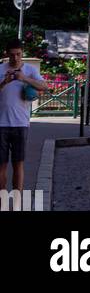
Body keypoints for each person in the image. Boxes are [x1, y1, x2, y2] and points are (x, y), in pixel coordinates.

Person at [0, 39, 48, 194]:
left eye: (18, 54)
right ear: (6, 54)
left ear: (22, 53)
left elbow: (44, 87)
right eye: (12, 55)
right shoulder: (0, 69)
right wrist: (4, 83)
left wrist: (24, 78)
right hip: (1, 125)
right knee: (1, 165)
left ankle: (17, 200)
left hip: (21, 124)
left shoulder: (29, 69)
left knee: (18, 164)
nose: (15, 58)